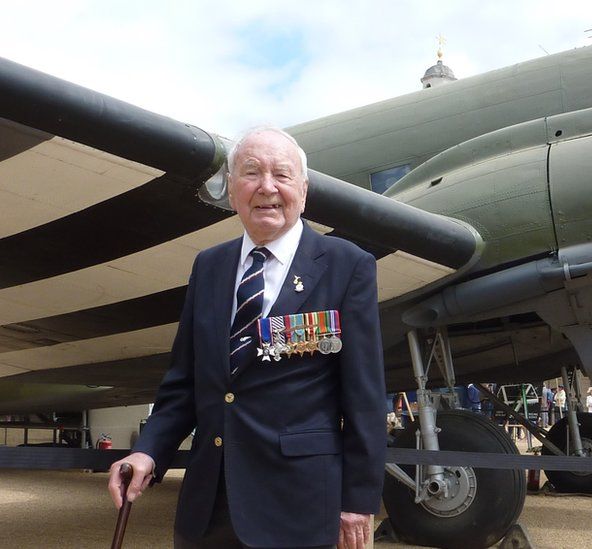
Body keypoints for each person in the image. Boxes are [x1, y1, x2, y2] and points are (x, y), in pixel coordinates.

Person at [107, 127, 386, 548]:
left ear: (304, 191)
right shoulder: (209, 266)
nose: (266, 187)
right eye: (251, 173)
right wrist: (147, 450)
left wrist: (357, 500)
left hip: (299, 505)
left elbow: (364, 397)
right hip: (207, 505)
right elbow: (184, 382)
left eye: (282, 175)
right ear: (233, 191)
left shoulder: (347, 266)